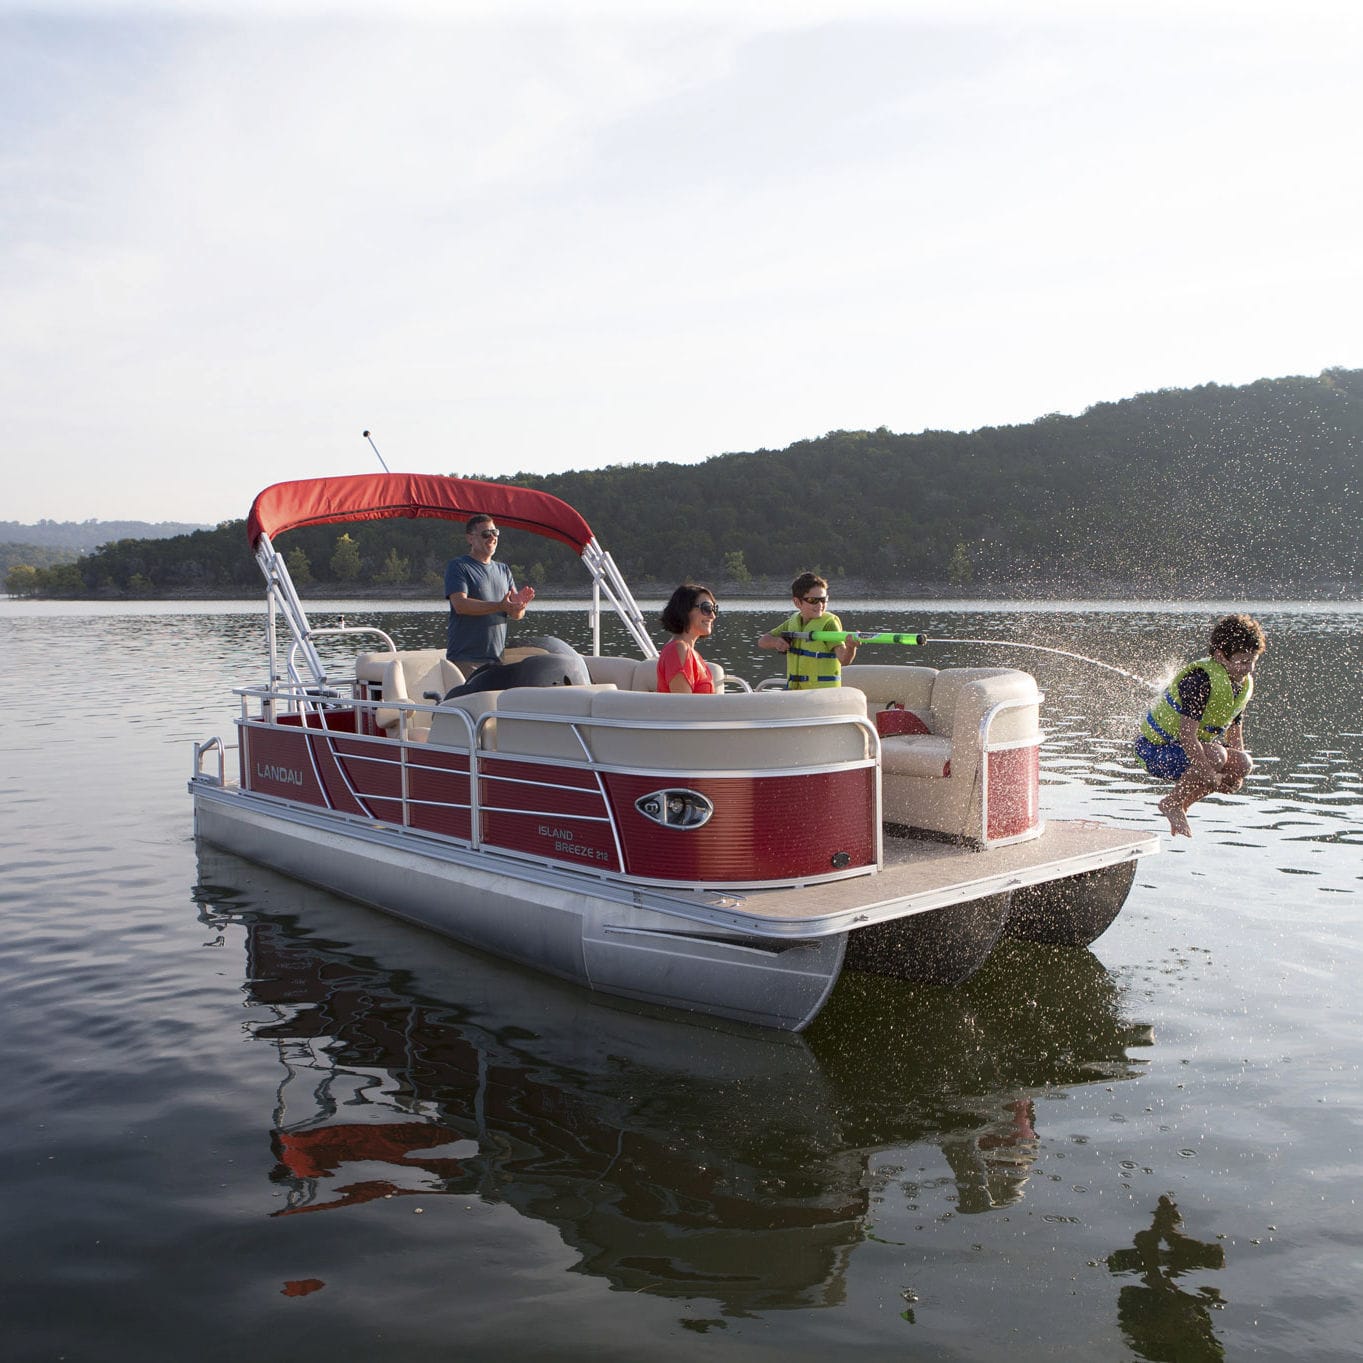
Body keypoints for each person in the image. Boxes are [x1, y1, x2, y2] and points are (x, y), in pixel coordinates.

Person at [1135, 613, 1266, 837]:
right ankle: (1173, 803)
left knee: (1242, 763)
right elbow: (1187, 736)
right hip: (1154, 752)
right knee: (1216, 757)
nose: (1248, 669)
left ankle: (1182, 805)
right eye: (1242, 661)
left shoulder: (1239, 684)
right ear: (1220, 656)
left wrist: (1235, 776)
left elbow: (1235, 732)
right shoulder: (1200, 681)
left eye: (1252, 661)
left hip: (1186, 753)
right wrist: (1209, 774)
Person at [444, 514, 535, 672]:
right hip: (465, 659)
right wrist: (500, 606)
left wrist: (519, 607)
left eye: (495, 533)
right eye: (486, 534)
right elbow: (460, 605)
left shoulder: (503, 570)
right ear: (470, 538)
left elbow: (516, 614)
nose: (492, 537)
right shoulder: (459, 566)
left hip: (496, 661)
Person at [757, 572, 859, 689]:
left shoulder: (829, 624)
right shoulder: (793, 621)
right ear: (797, 602)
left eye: (823, 600)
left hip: (822, 695)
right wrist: (776, 642)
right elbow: (762, 641)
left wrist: (851, 647)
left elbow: (844, 659)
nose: (820, 605)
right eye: (812, 600)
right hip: (796, 693)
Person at [656, 584, 718, 694]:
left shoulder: (690, 652)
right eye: (707, 608)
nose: (713, 616)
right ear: (684, 610)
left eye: (714, 609)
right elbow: (684, 707)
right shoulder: (678, 650)